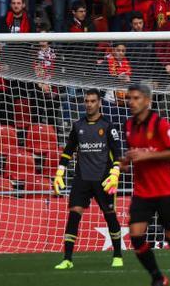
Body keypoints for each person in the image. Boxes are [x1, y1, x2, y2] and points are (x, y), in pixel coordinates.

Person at [120, 83, 170, 286]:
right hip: (142, 192)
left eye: (136, 98)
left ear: (147, 101)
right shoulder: (129, 125)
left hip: (165, 191)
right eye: (129, 98)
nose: (131, 102)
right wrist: (125, 161)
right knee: (136, 236)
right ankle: (158, 277)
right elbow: (135, 154)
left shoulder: (160, 124)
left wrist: (145, 155)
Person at [52, 89, 124, 270]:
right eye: (87, 101)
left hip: (103, 178)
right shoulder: (77, 126)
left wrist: (115, 172)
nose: (89, 104)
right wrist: (60, 170)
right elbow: (68, 151)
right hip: (82, 178)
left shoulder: (108, 125)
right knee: (74, 214)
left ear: (99, 103)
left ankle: (117, 255)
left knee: (110, 215)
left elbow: (117, 153)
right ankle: (67, 259)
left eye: (92, 101)